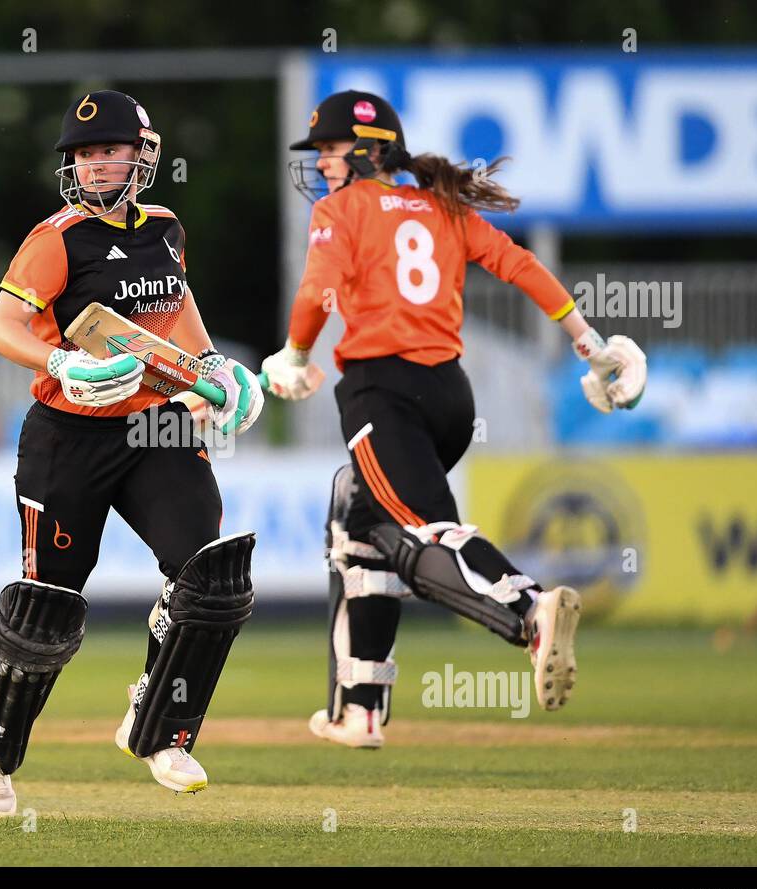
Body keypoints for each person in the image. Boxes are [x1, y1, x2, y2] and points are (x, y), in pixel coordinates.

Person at [260, 90, 646, 748]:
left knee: (427, 534)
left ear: (366, 151)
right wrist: (591, 344)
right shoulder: (441, 205)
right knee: (358, 528)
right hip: (449, 398)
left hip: (382, 391)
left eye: (328, 149)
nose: (320, 163)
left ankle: (529, 608)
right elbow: (520, 267)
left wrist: (294, 354)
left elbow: (316, 291)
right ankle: (359, 710)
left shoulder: (342, 208)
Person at [0, 89, 265, 818]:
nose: (93, 165)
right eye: (84, 155)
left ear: (143, 156)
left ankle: (160, 723)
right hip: (67, 436)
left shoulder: (164, 227)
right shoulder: (56, 237)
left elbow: (176, 302)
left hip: (152, 427)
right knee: (49, 605)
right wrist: (62, 365)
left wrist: (214, 366)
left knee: (211, 576)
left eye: (108, 151)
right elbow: (0, 329)